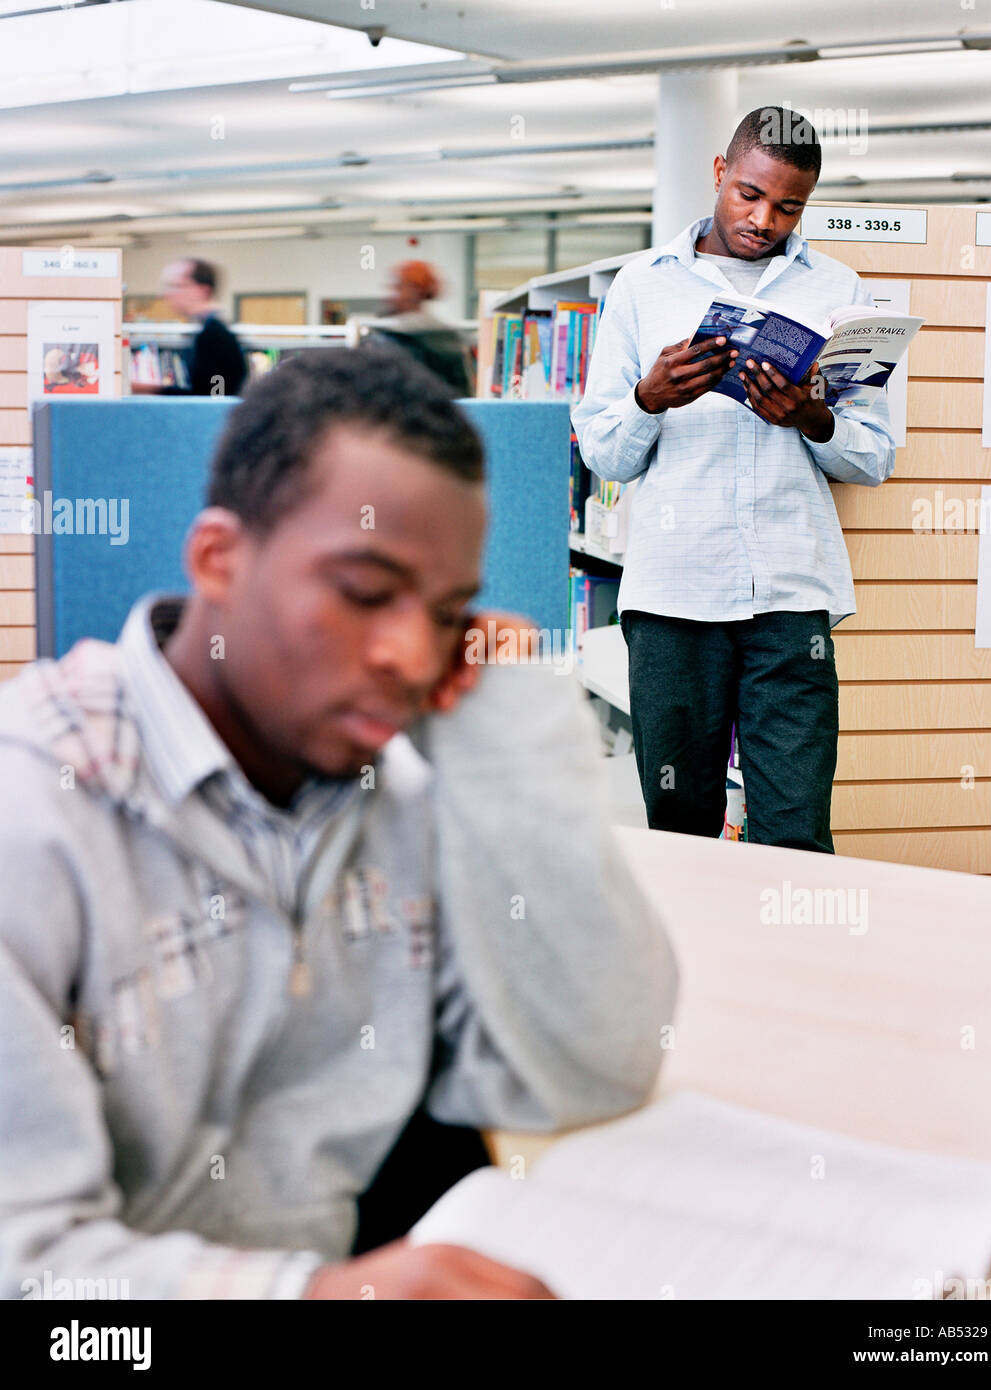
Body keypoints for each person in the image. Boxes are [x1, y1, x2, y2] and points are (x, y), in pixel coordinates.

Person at [0, 342, 676, 1300]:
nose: (408, 652)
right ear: (219, 560)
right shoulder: (35, 821)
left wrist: (510, 713)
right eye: (364, 592)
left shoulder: (393, 792)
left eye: (446, 613)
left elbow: (594, 1066)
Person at [572, 107, 896, 854]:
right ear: (720, 171)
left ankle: (793, 967)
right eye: (749, 195)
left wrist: (811, 418)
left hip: (792, 596)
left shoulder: (841, 292)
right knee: (680, 830)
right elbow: (603, 452)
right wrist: (650, 400)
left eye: (788, 206)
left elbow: (872, 455)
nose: (764, 219)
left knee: (798, 828)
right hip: (674, 599)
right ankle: (695, 972)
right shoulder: (640, 287)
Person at [132, 257, 247, 398]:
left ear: (203, 290)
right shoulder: (206, 330)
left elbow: (213, 398)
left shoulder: (214, 335)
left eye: (177, 286)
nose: (166, 294)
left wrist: (150, 390)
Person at [364, 260, 475, 397]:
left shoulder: (400, 335)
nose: (392, 294)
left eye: (398, 287)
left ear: (414, 291)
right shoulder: (445, 333)